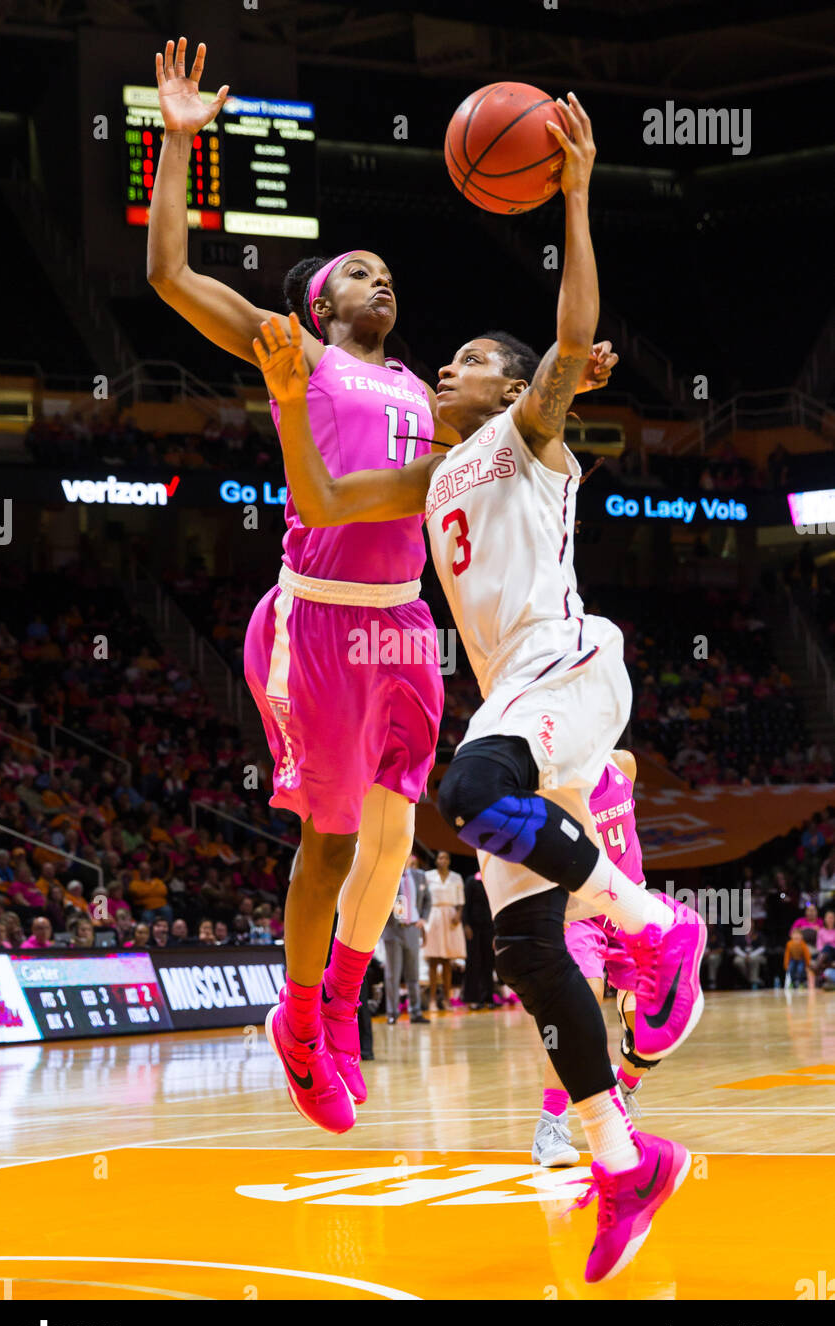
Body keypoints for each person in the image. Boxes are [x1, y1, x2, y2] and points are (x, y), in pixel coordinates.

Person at [252, 93, 704, 1283]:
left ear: (504, 393)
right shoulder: (433, 473)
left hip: (565, 669)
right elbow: (327, 505)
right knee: (523, 951)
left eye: (462, 363)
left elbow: (567, 335)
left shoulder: (523, 437)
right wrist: (291, 405)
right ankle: (617, 1158)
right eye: (441, 362)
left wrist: (572, 193)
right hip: (519, 704)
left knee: (465, 786)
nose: (437, 368)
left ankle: (656, 930)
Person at [149, 38, 616, 1139]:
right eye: (353, 268)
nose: (377, 277)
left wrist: (576, 368)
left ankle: (345, 1000)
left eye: (383, 269)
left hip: (405, 627)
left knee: (396, 838)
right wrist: (175, 143)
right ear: (316, 306)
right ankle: (299, 1019)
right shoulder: (297, 357)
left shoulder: (428, 387)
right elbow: (169, 278)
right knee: (324, 840)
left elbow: (529, 403)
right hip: (315, 619)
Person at [532, 751, 661, 1166]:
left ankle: (623, 1087)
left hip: (628, 906)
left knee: (661, 1013)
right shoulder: (551, 782)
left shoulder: (624, 764)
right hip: (579, 912)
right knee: (577, 1010)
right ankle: (550, 1126)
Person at [381, 851, 431, 1025]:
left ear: (412, 858)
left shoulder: (419, 876)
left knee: (413, 974)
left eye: (408, 855)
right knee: (392, 975)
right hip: (393, 929)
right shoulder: (388, 876)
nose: (405, 857)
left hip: (412, 928)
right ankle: (392, 1013)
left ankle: (415, 1012)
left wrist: (423, 919)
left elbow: (427, 900)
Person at [423, 850, 466, 1011]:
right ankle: (432, 1000)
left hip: (450, 916)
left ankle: (447, 1000)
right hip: (433, 915)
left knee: (448, 961)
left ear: (449, 861)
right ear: (436, 861)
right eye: (440, 857)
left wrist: (459, 915)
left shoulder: (456, 877)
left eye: (446, 857)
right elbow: (424, 898)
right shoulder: (428, 876)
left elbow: (461, 900)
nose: (443, 860)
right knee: (433, 960)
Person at [462, 870, 496, 1010]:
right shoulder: (471, 881)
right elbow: (466, 904)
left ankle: (488, 997)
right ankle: (473, 999)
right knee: (474, 962)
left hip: (489, 927)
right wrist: (466, 925)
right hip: (473, 928)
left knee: (489, 962)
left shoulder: (492, 880)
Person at [732, 924, 767, 989]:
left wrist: (751, 955)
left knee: (753, 959)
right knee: (737, 961)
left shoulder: (759, 935)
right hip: (743, 955)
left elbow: (763, 948)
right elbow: (735, 948)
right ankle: (754, 979)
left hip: (756, 955)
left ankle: (753, 982)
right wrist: (745, 955)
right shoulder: (740, 935)